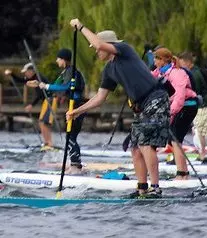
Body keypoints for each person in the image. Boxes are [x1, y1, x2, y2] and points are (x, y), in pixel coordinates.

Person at [67, 18, 170, 198]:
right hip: (141, 106)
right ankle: (142, 188)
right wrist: (77, 111)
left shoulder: (124, 50)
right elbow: (99, 98)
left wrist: (80, 26)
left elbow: (97, 42)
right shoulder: (108, 70)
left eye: (98, 48)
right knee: (135, 147)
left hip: (156, 98)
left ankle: (156, 188)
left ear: (108, 45)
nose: (97, 51)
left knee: (146, 144)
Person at [153, 48, 198, 179]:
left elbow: (179, 97)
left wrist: (169, 113)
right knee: (173, 141)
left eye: (156, 58)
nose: (154, 61)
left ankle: (182, 174)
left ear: (163, 60)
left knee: (175, 140)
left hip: (187, 107)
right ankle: (185, 173)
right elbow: (149, 77)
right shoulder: (161, 72)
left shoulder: (177, 73)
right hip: (179, 108)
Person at [39, 48, 86, 174]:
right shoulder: (65, 72)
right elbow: (55, 86)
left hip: (77, 106)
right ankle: (75, 164)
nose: (56, 61)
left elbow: (65, 87)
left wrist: (47, 86)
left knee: (70, 136)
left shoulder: (72, 71)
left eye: (58, 58)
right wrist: (40, 85)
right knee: (70, 136)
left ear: (64, 59)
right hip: (72, 106)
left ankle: (76, 166)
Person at [4, 63, 57, 150]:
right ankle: (47, 143)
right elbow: (22, 81)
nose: (25, 74)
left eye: (26, 72)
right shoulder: (33, 78)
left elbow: (40, 94)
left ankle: (49, 144)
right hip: (46, 101)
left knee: (44, 123)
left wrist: (32, 105)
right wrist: (12, 74)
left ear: (31, 71)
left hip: (50, 100)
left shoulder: (38, 78)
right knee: (41, 122)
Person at [178, 52, 207, 160]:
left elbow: (194, 92)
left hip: (205, 105)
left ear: (188, 63)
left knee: (198, 131)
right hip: (203, 104)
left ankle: (202, 154)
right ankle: (201, 152)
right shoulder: (193, 71)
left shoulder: (194, 74)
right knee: (198, 131)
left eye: (181, 64)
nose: (180, 67)